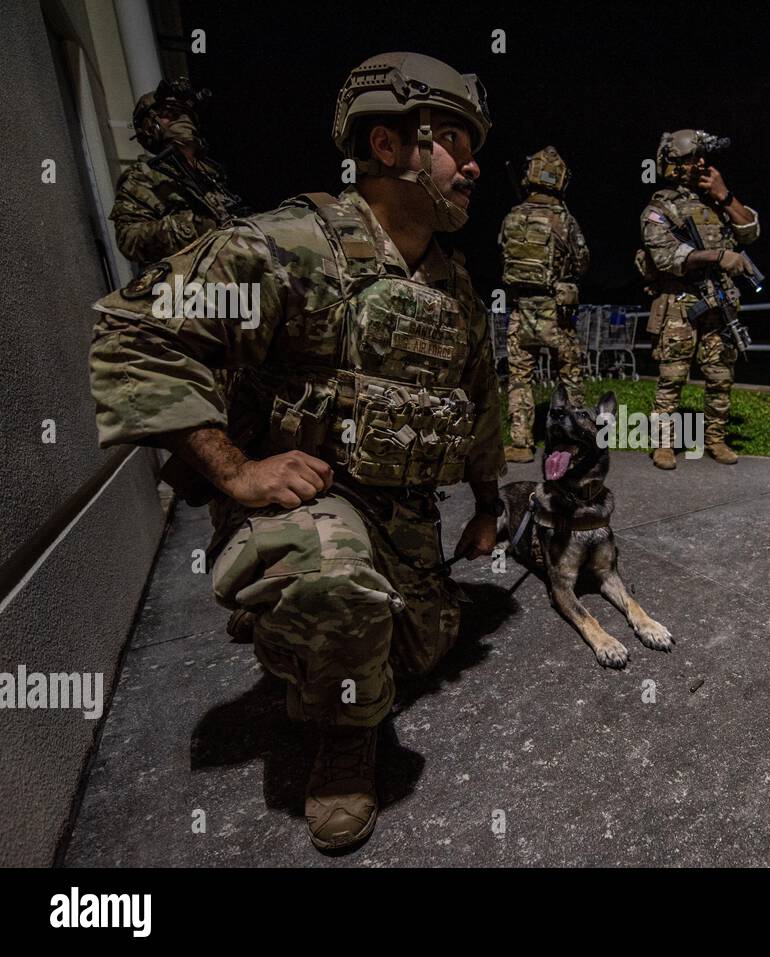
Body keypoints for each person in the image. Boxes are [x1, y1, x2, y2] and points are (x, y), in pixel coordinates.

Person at [88, 53, 504, 853]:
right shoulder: (288, 244)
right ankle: (344, 744)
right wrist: (236, 470)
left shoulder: (451, 282)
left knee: (425, 643)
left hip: (402, 513)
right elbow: (137, 331)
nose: (474, 160)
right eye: (451, 138)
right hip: (310, 506)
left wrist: (487, 503)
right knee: (336, 592)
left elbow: (480, 403)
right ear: (388, 147)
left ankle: (330, 627)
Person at [636, 129, 759, 469]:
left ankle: (715, 439)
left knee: (720, 376)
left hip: (718, 303)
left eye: (704, 159)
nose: (702, 164)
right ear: (676, 164)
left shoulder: (717, 203)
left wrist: (725, 194)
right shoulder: (660, 207)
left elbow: (751, 230)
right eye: (694, 159)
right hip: (679, 302)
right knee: (672, 375)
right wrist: (717, 256)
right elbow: (666, 258)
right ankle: (663, 444)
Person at [499, 146, 590, 462]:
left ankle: (521, 443)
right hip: (558, 314)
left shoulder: (513, 215)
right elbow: (581, 262)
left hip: (522, 311)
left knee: (520, 378)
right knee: (569, 377)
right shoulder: (566, 219)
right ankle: (572, 441)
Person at [111, 77, 245, 269]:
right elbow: (129, 239)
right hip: (192, 283)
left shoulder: (210, 174)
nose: (182, 120)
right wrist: (193, 226)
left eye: (185, 114)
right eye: (168, 114)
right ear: (150, 127)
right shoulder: (143, 177)